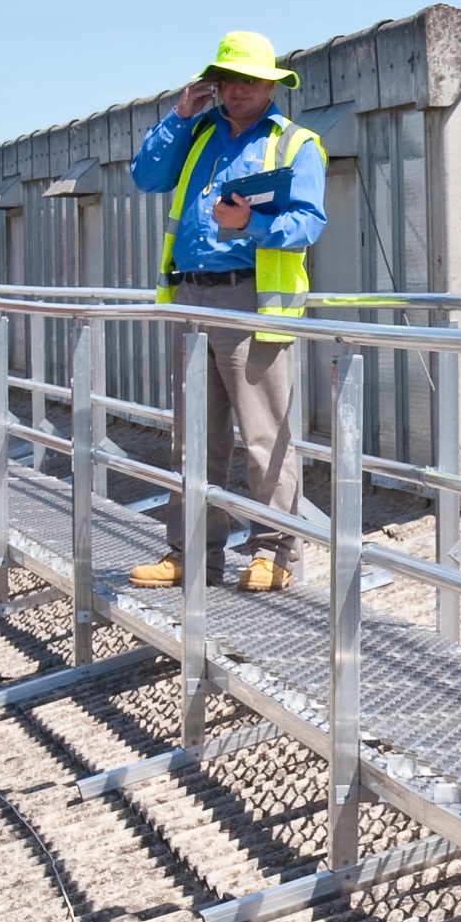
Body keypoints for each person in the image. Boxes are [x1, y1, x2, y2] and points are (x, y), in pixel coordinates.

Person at [128, 31, 326, 593]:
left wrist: (253, 226)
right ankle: (189, 554)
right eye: (228, 80)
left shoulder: (294, 143)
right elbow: (145, 176)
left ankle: (274, 554)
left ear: (270, 85)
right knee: (192, 437)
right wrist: (178, 114)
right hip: (190, 297)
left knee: (265, 435)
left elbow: (309, 223)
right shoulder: (195, 134)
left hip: (250, 299)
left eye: (249, 81)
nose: (237, 91)